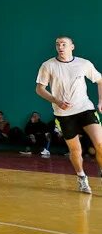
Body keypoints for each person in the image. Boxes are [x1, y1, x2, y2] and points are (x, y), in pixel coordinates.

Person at [35, 36, 102, 194]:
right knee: (75, 150)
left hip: (85, 108)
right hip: (63, 114)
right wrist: (56, 100)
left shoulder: (83, 64)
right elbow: (39, 89)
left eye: (64, 44)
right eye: (58, 44)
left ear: (72, 47)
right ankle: (81, 177)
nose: (60, 47)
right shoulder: (48, 65)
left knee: (100, 143)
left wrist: (100, 101)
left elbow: (100, 80)